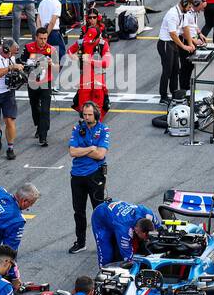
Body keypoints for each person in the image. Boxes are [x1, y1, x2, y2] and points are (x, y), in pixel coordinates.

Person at [67, 102, 109, 254]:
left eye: (90, 114)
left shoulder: (103, 129)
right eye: (84, 114)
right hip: (77, 175)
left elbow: (100, 154)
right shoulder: (78, 128)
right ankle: (81, 242)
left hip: (95, 175)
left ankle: (104, 242)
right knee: (78, 211)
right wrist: (91, 148)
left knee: (99, 211)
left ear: (96, 114)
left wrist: (82, 150)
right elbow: (72, 152)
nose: (86, 117)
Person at [0, 38, 24, 160]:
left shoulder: (10, 57)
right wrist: (11, 68)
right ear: (6, 49)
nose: (12, 56)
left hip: (8, 92)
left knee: (10, 120)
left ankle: (10, 148)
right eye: (11, 53)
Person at [91, 199, 155, 268]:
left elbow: (160, 228)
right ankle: (103, 273)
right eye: (146, 236)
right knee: (106, 255)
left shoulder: (147, 213)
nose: (147, 238)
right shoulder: (124, 230)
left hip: (117, 216)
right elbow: (128, 258)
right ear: (136, 230)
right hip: (101, 219)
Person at [23, 27, 58, 147]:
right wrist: (29, 64)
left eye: (45, 38)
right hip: (32, 82)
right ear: (36, 37)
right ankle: (39, 126)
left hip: (46, 83)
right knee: (34, 106)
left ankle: (43, 136)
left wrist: (51, 64)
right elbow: (22, 64)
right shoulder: (28, 47)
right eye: (41, 38)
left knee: (45, 110)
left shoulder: (51, 49)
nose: (43, 41)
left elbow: (58, 68)